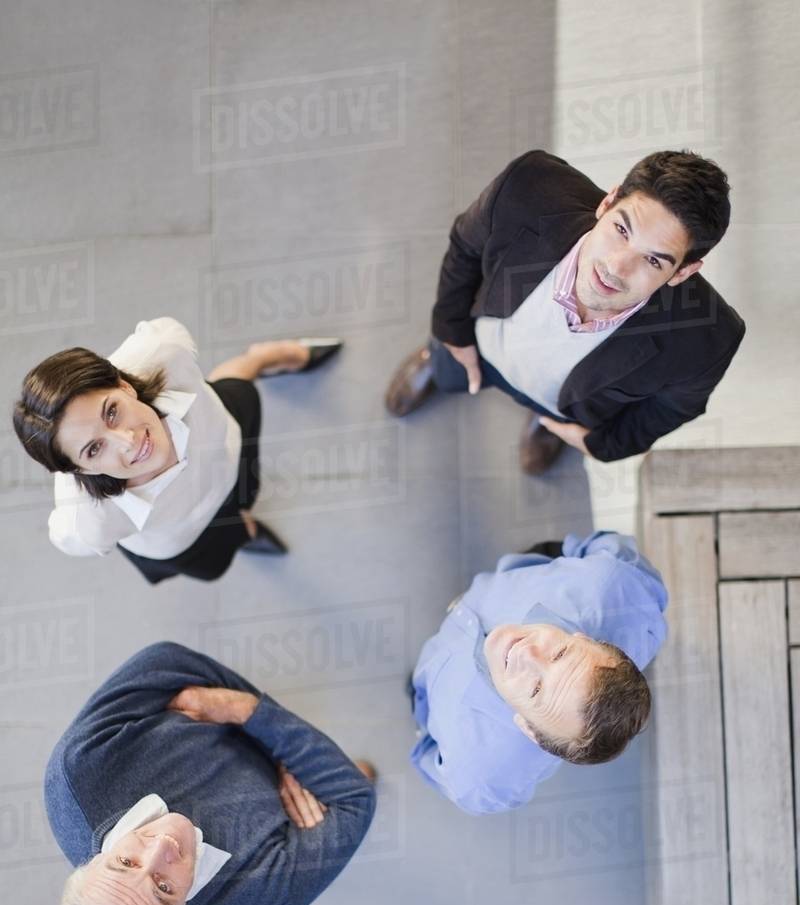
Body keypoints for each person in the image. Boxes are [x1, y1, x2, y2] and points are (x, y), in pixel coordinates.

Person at [385, 148, 745, 473]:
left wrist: (600, 444)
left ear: (682, 273)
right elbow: (465, 245)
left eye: (653, 260)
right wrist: (450, 331)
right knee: (448, 366)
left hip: (563, 405)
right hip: (482, 342)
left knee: (555, 418)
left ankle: (546, 425)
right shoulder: (527, 189)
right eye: (622, 229)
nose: (616, 267)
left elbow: (672, 409)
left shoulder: (707, 343)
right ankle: (436, 362)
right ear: (607, 203)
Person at [45, 642, 376, 905]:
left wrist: (261, 725)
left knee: (332, 782)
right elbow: (355, 799)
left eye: (125, 862)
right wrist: (249, 714)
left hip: (261, 755)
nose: (162, 846)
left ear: (94, 861)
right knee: (347, 783)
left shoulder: (78, 768)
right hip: (251, 745)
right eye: (164, 889)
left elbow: (167, 660)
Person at [13, 318, 342, 582]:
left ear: (124, 385)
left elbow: (162, 334)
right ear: (81, 470)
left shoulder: (163, 353)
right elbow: (69, 536)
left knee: (235, 384)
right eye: (94, 448)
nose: (128, 441)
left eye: (112, 411)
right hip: (188, 537)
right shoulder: (89, 521)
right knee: (222, 551)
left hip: (226, 448)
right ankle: (243, 533)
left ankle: (263, 356)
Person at [410, 532, 667, 814]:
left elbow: (431, 761)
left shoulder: (479, 777)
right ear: (584, 639)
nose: (525, 652)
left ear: (528, 729)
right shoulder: (610, 581)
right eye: (560, 654)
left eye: (536, 689)